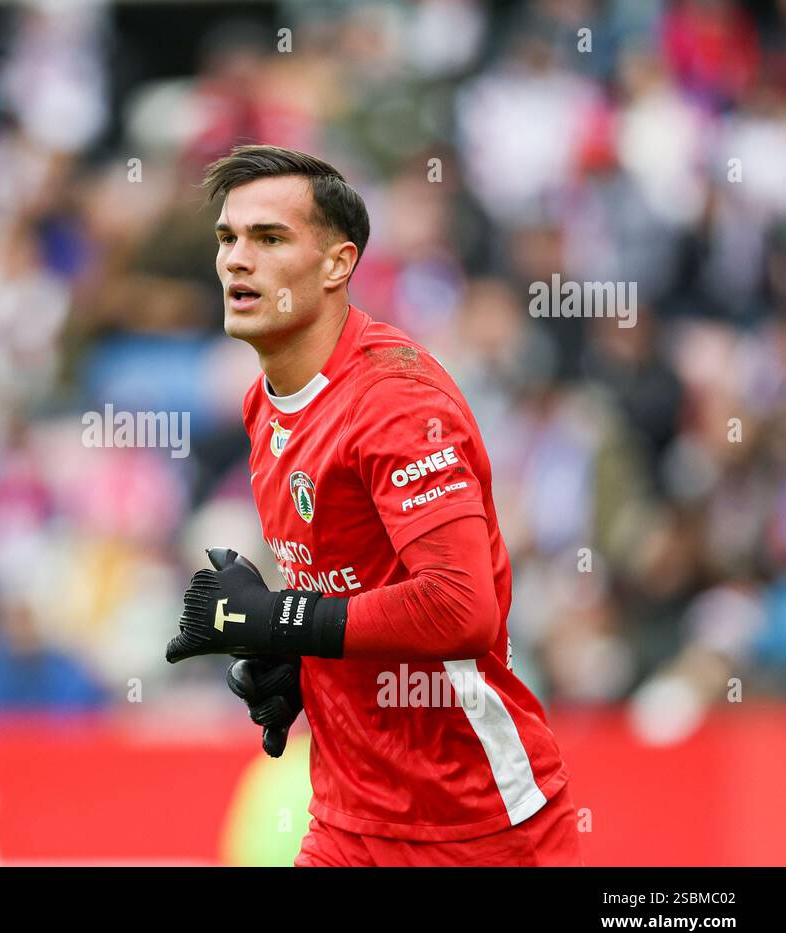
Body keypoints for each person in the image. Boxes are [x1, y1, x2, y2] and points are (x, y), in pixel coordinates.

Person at [167, 144, 583, 867]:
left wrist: (278, 617)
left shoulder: (394, 402)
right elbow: (353, 588)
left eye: (269, 239)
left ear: (337, 264)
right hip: (348, 822)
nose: (237, 260)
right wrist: (293, 662)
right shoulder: (265, 408)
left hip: (477, 828)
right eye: (228, 239)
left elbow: (461, 610)